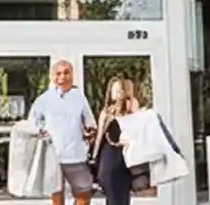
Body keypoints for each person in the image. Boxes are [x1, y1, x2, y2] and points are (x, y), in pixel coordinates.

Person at [27, 59, 98, 205]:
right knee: (57, 198)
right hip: (53, 156)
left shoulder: (79, 97)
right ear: (52, 76)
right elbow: (32, 124)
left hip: (76, 154)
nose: (62, 76)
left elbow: (90, 122)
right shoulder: (43, 100)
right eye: (58, 73)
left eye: (66, 72)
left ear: (72, 75)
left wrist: (90, 132)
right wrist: (40, 131)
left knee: (84, 195)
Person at [92, 77, 141, 205]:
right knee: (116, 196)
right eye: (114, 89)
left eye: (118, 89)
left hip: (121, 158)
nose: (116, 93)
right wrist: (94, 159)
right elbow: (99, 138)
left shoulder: (129, 108)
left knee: (121, 196)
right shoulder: (107, 112)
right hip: (111, 158)